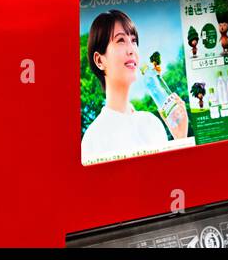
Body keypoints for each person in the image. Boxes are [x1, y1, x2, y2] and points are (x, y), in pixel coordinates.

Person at [81, 9, 188, 164]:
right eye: (121, 41)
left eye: (134, 41)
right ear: (99, 60)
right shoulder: (93, 139)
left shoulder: (153, 124)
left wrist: (180, 138)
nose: (131, 50)